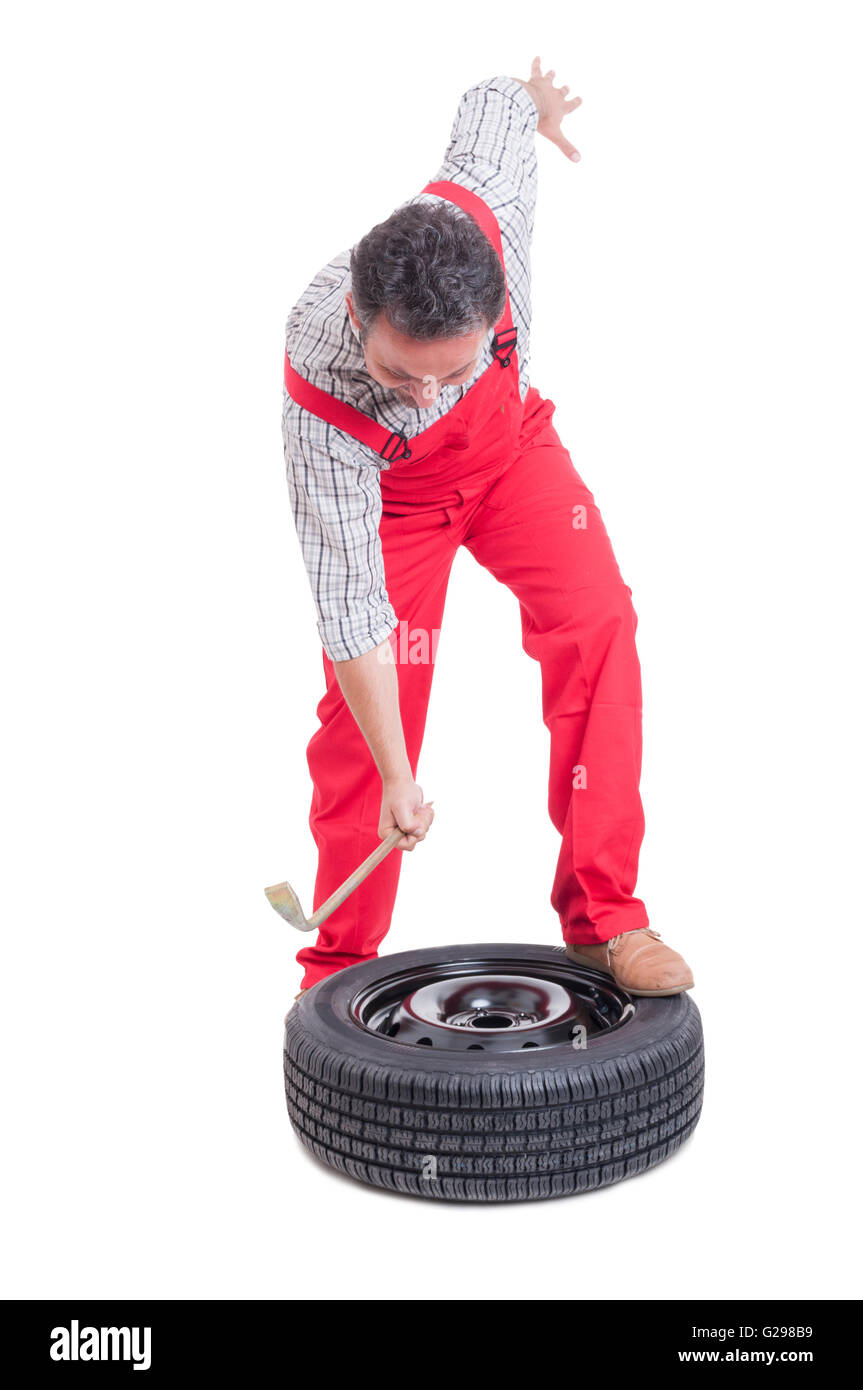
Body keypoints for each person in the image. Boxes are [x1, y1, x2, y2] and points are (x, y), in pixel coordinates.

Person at [281, 57, 694, 999]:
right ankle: (339, 966)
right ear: (357, 311)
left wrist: (538, 102)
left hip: (511, 455)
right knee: (368, 716)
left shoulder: (490, 202)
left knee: (601, 624)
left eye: (446, 371)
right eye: (399, 375)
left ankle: (605, 921)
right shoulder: (316, 392)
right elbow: (353, 618)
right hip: (394, 503)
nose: (424, 396)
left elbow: (495, 101)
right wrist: (399, 777)